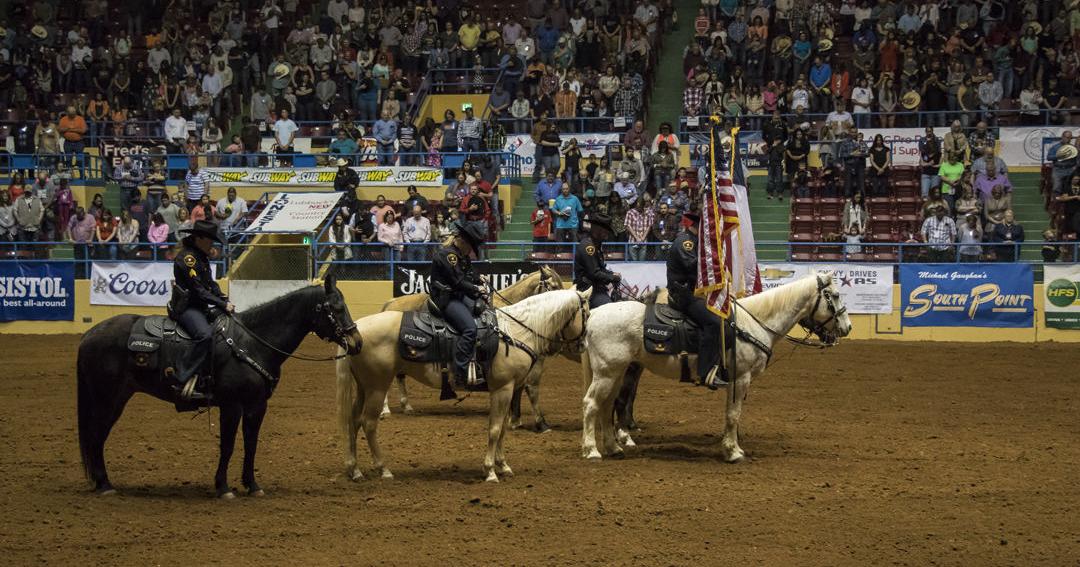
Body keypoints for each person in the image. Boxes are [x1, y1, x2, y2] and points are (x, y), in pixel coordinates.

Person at [168, 220, 234, 401]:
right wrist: (222, 305)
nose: (212, 244)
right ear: (200, 239)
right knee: (205, 335)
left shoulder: (201, 257)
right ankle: (181, 378)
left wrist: (223, 298)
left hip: (199, 307)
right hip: (187, 308)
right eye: (210, 240)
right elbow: (199, 290)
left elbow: (210, 284)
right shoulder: (187, 259)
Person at [430, 220, 489, 398]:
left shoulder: (461, 255)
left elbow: (469, 274)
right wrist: (477, 289)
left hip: (457, 295)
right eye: (471, 245)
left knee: (484, 314)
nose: (471, 250)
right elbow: (458, 281)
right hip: (446, 299)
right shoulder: (448, 256)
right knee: (470, 329)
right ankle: (459, 372)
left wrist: (479, 279)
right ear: (463, 240)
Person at [665, 212, 725, 388]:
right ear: (695, 226)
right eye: (702, 227)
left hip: (692, 291)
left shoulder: (694, 241)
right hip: (683, 294)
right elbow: (692, 265)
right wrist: (714, 264)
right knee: (713, 322)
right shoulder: (686, 242)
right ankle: (705, 372)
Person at [573, 213, 620, 308]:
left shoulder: (596, 245)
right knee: (609, 308)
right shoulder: (588, 247)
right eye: (605, 230)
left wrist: (612, 274)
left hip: (596, 288)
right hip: (587, 290)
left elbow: (600, 268)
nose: (607, 233)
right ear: (597, 229)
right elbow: (594, 273)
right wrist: (612, 277)